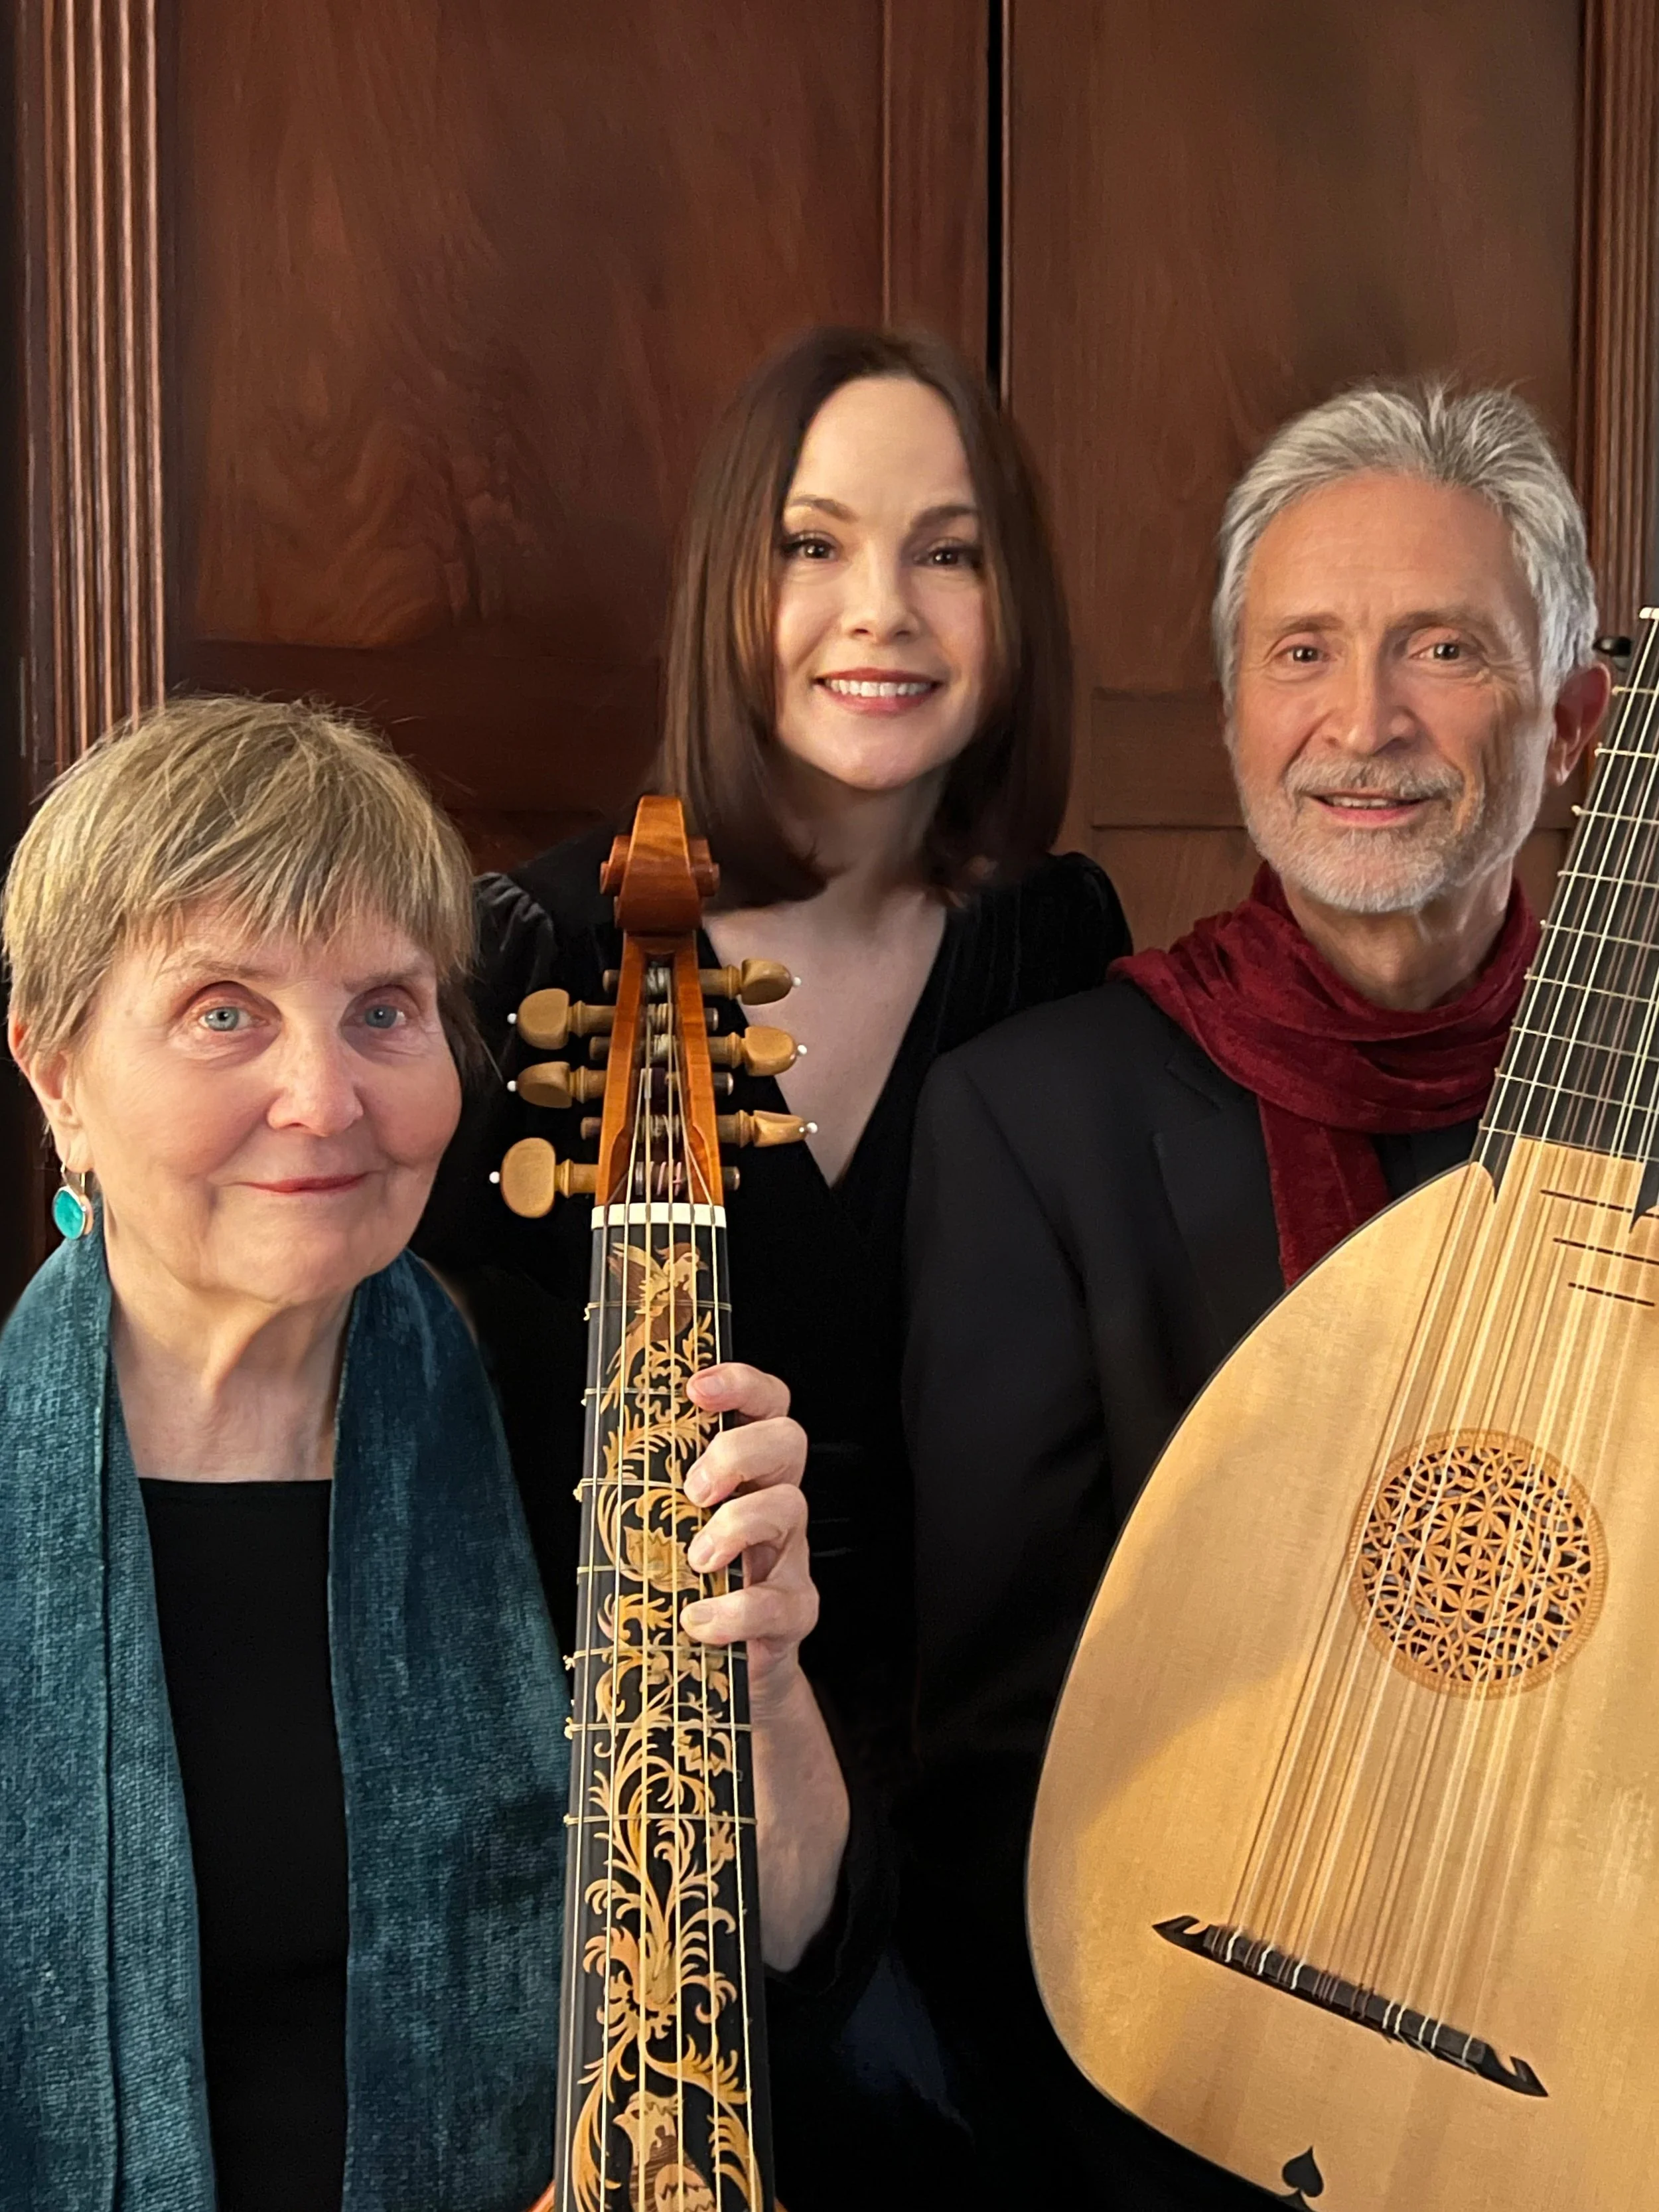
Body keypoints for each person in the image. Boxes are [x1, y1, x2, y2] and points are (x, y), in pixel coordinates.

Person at [415, 325, 1129, 2201]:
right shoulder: (542, 950)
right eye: (811, 545)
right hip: (634, 1873)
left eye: (947, 549)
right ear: (732, 578)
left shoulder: (1056, 939)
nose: (876, 610)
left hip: (1000, 1869)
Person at [902, 382, 1612, 2207]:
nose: (1358, 723)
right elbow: (994, 1744)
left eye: (1440, 647)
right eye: (1301, 650)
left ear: (1575, 717)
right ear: (1231, 715)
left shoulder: (1641, 1135)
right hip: (1165, 2078)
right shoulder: (1036, 1118)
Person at [0, 696, 840, 2212]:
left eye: (382, 1009)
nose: (325, 1100)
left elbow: (788, 1950)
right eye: (224, 1011)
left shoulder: (574, 1402)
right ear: (56, 1071)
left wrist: (763, 1694)